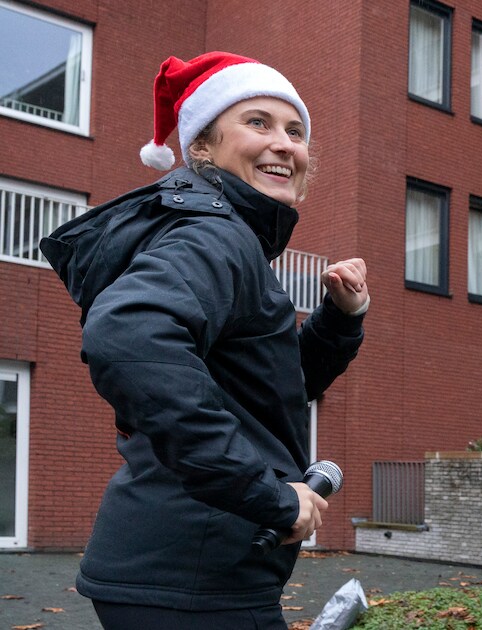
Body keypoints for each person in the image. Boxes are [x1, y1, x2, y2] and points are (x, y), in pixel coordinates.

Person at [38, 52, 368, 629]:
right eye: (257, 123)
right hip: (191, 582)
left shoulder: (228, 237)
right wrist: (265, 493)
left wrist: (339, 319)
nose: (285, 143)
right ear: (202, 148)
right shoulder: (216, 237)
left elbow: (266, 392)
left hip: (182, 574)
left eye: (296, 131)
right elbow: (125, 334)